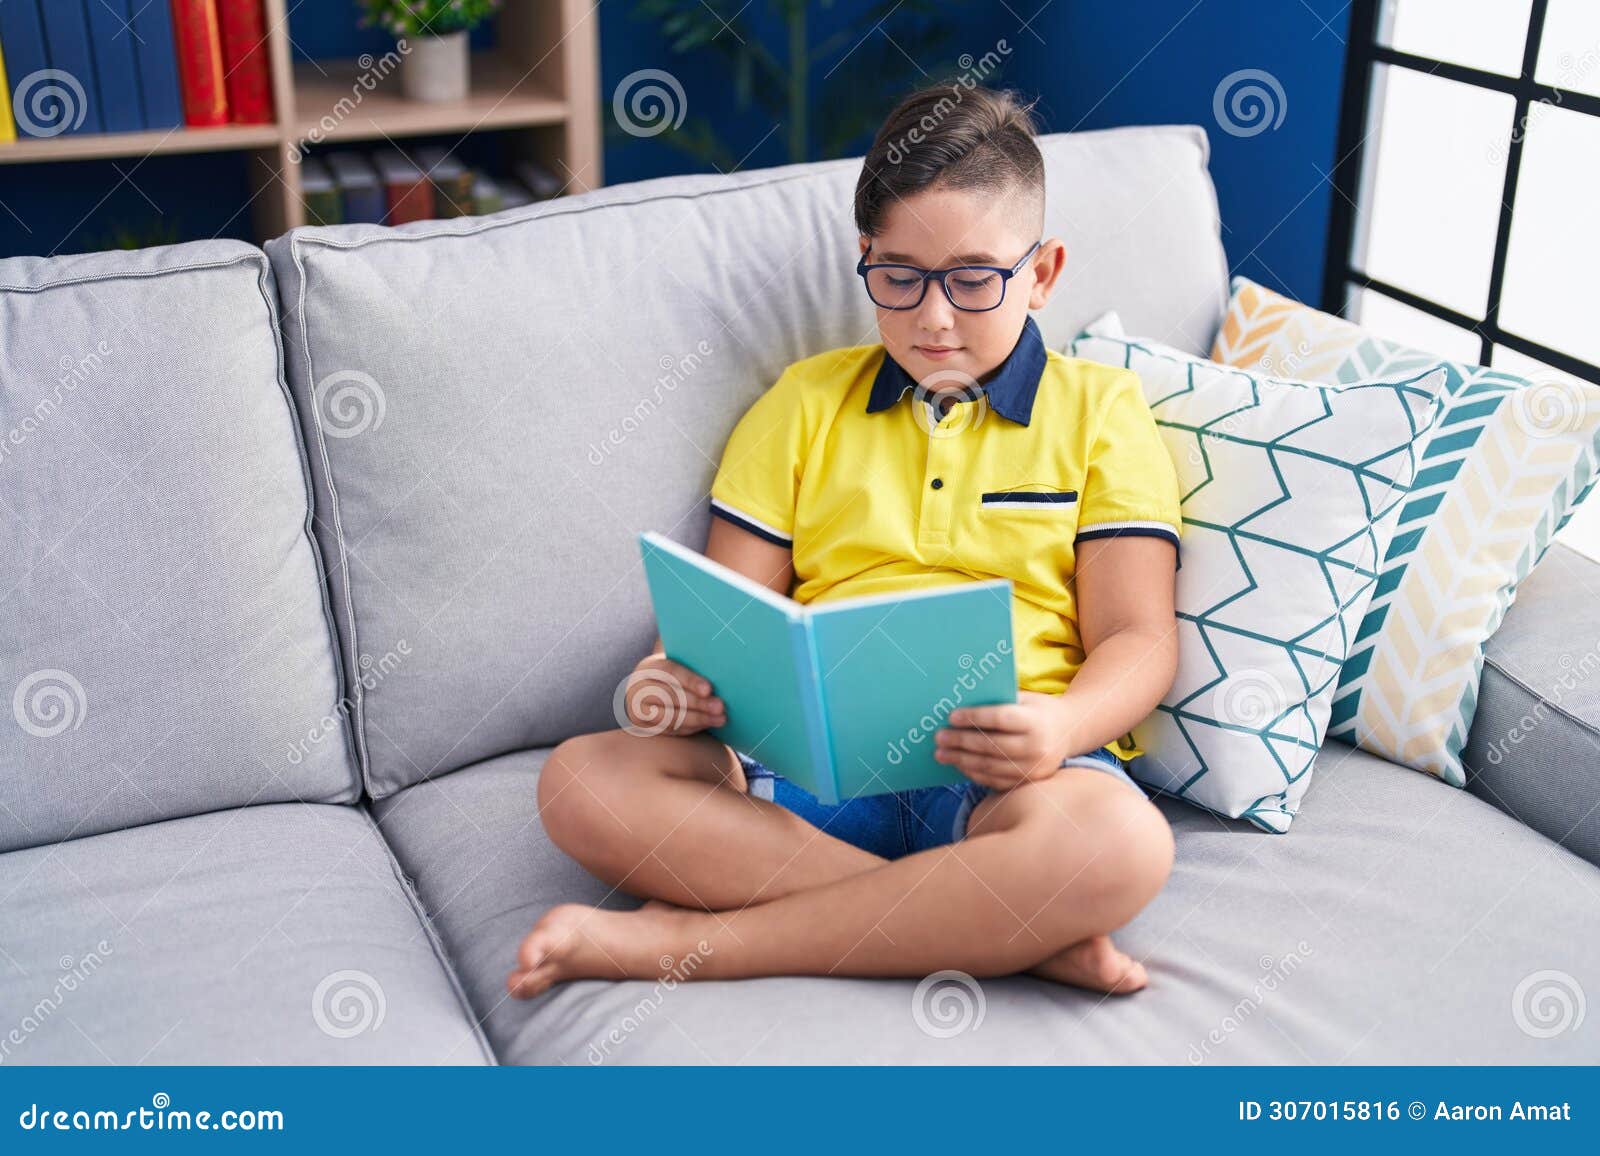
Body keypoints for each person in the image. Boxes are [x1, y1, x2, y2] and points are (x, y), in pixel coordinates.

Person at [510, 84, 1181, 999]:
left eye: (975, 279)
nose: (933, 318)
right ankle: (1003, 931)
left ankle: (704, 943)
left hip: (1011, 775)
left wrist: (1059, 726)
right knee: (581, 781)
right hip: (806, 781)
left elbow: (1140, 639)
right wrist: (665, 681)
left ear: (1044, 273)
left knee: (1123, 843)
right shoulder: (803, 404)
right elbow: (721, 620)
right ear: (865, 258)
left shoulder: (1103, 412)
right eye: (899, 278)